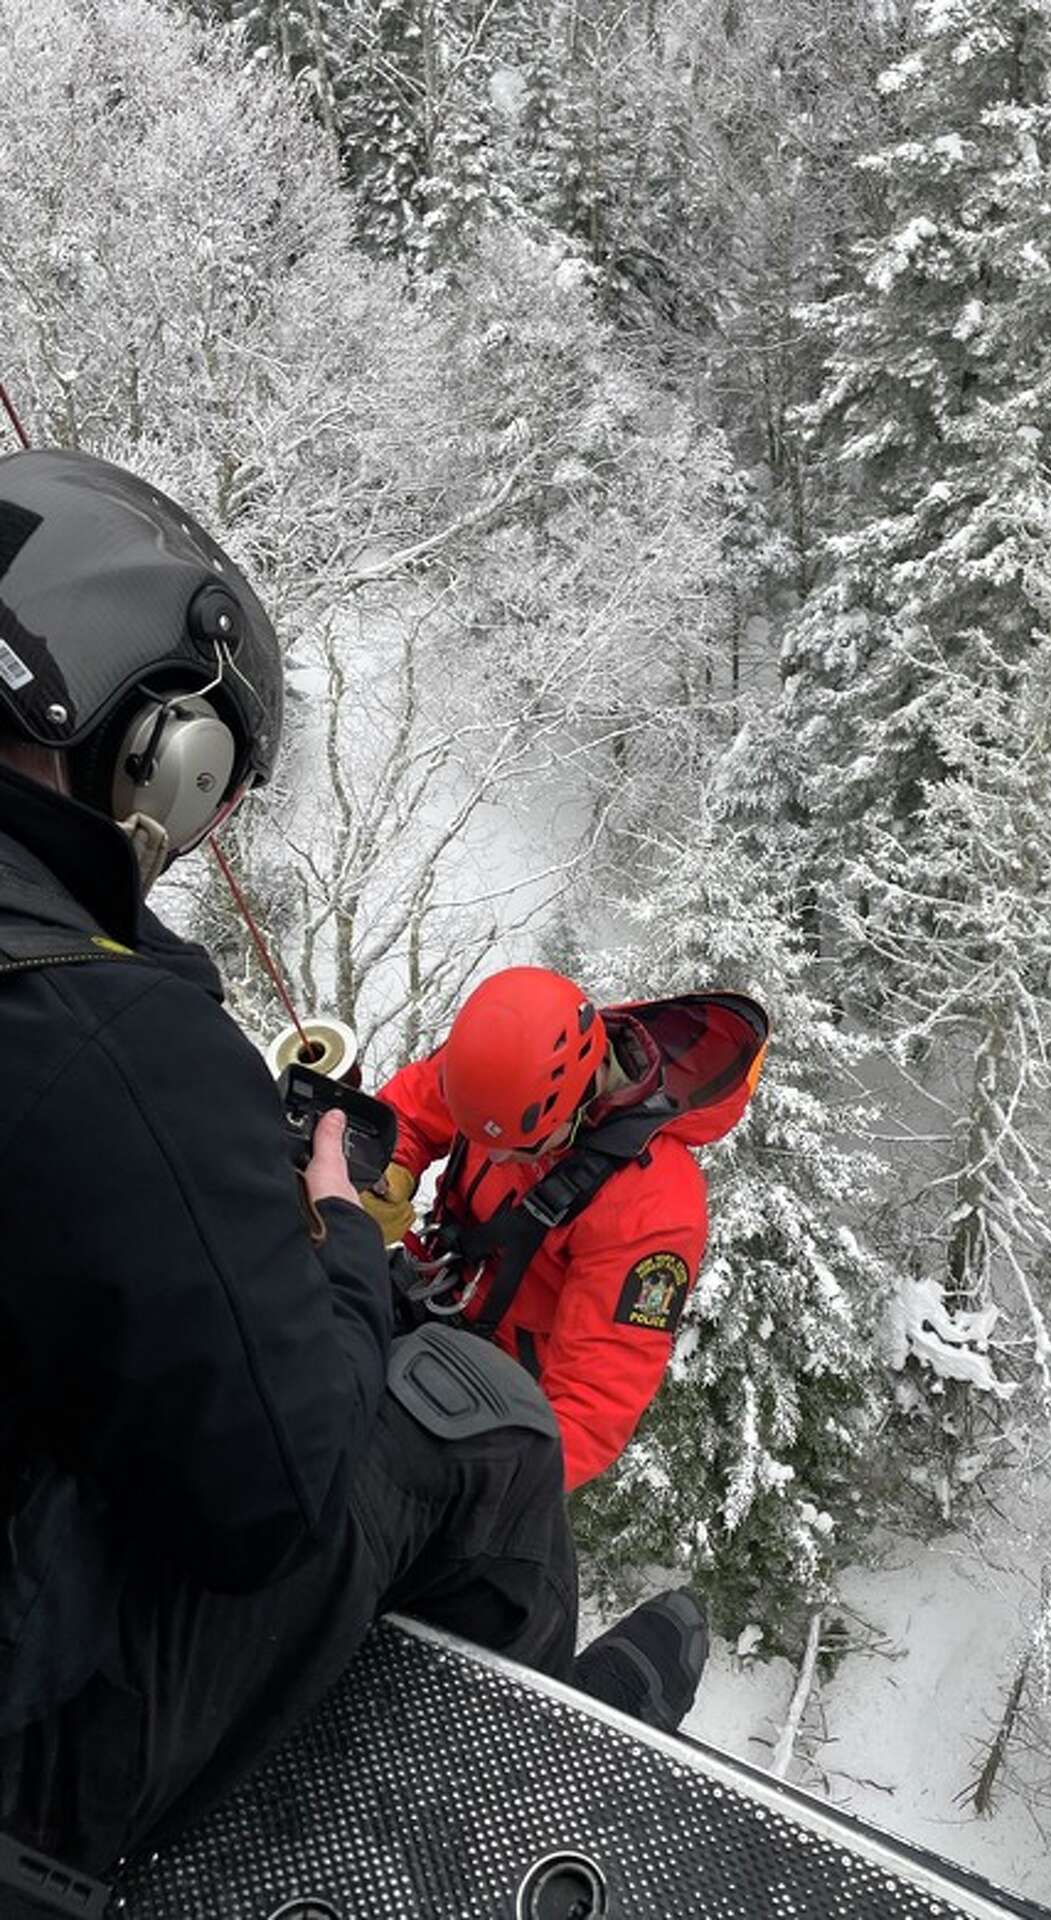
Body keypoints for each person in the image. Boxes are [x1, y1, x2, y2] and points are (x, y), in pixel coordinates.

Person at [0, 448, 704, 1890]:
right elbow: (413, 1122)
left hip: (485, 1347)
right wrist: (341, 1232)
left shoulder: (650, 1219)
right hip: (41, 1743)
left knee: (505, 1423)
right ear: (166, 758)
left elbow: (589, 1405)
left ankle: (474, 1708)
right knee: (468, 1428)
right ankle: (491, 1787)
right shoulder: (106, 1033)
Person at [366, 966, 769, 1489]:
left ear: (577, 1100)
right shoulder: (511, 1055)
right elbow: (416, 1106)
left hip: (497, 1382)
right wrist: (392, 1163)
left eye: (520, 1146)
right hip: (432, 1287)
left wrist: (488, 1495)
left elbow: (592, 1406)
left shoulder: (652, 1208)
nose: (496, 1155)